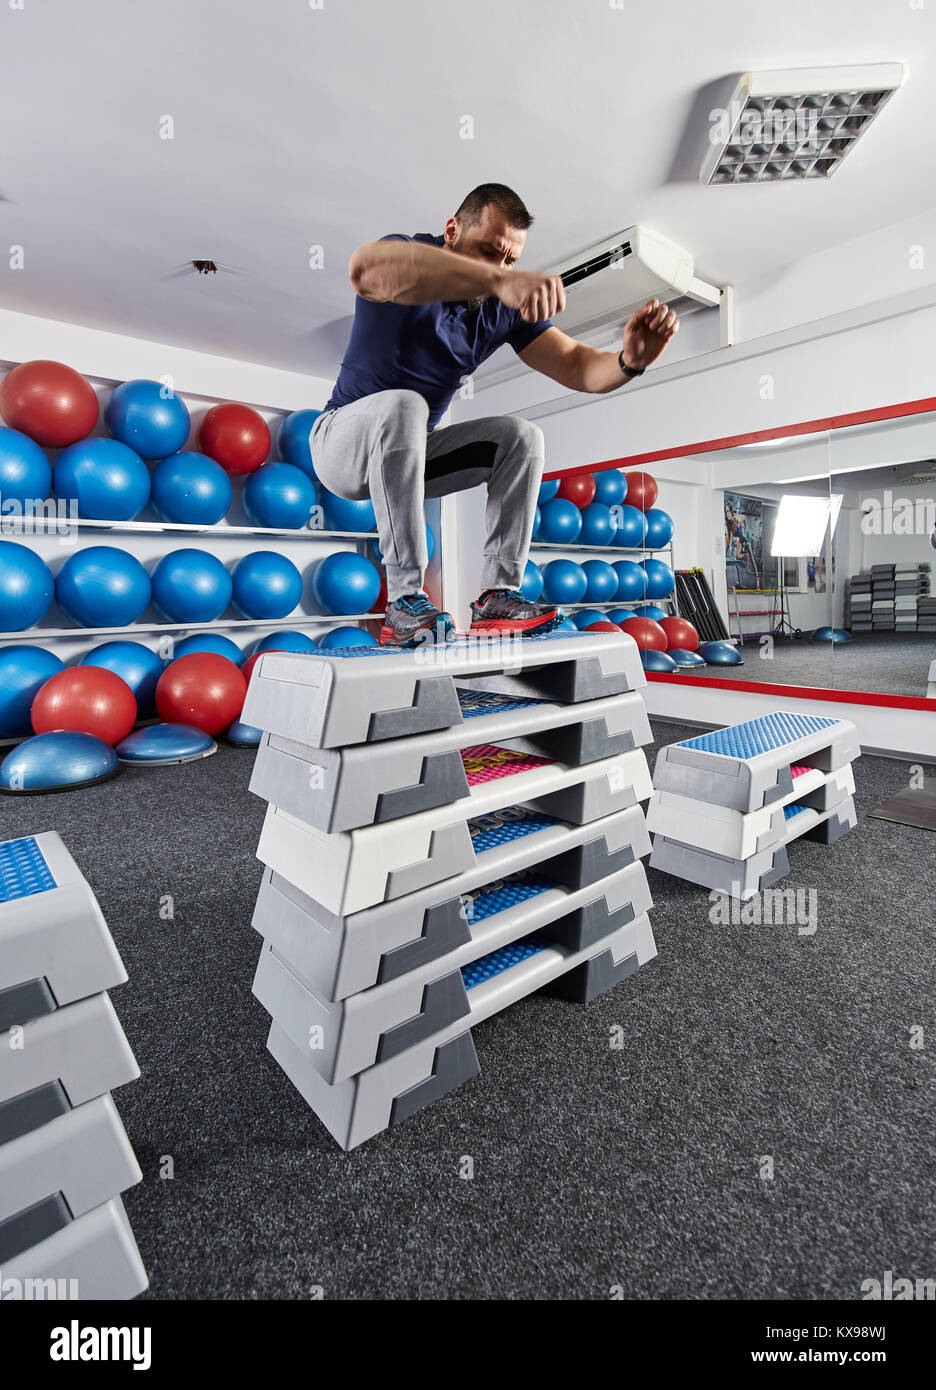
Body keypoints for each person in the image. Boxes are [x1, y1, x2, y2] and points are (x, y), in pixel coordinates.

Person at [311, 183, 679, 646]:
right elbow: (366, 270)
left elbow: (578, 366)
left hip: (410, 458)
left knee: (521, 437)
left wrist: (631, 360)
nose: (502, 268)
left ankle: (497, 596)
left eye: (510, 260)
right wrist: (495, 279)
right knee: (405, 403)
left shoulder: (502, 310)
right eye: (489, 251)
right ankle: (405, 600)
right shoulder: (409, 256)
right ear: (451, 231)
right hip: (340, 446)